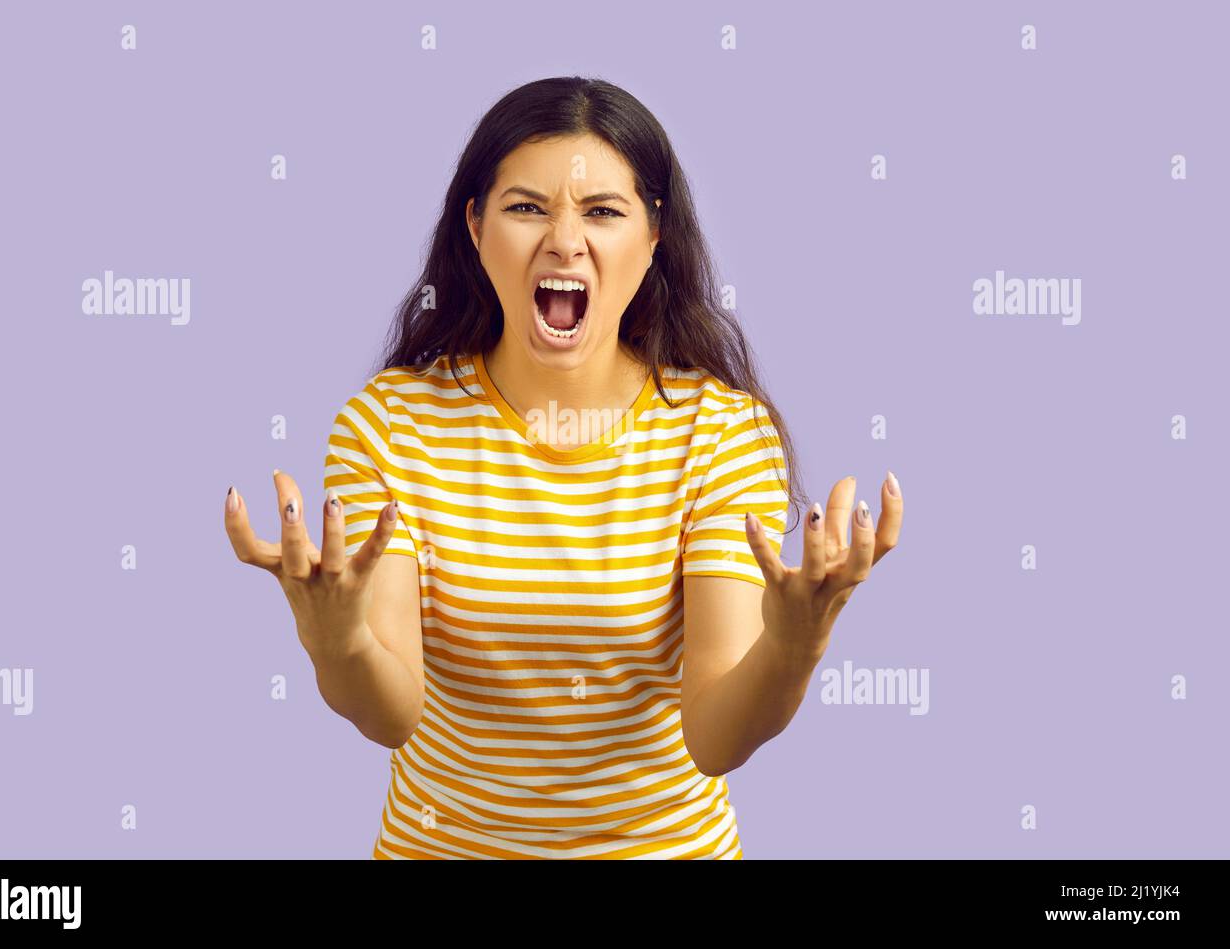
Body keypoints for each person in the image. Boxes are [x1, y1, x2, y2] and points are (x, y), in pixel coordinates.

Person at [224, 76, 904, 859]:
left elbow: (716, 738)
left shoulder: (718, 431)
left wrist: (793, 647)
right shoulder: (388, 423)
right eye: (526, 207)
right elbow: (392, 713)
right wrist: (336, 639)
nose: (565, 240)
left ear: (653, 238)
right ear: (475, 229)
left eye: (603, 212)